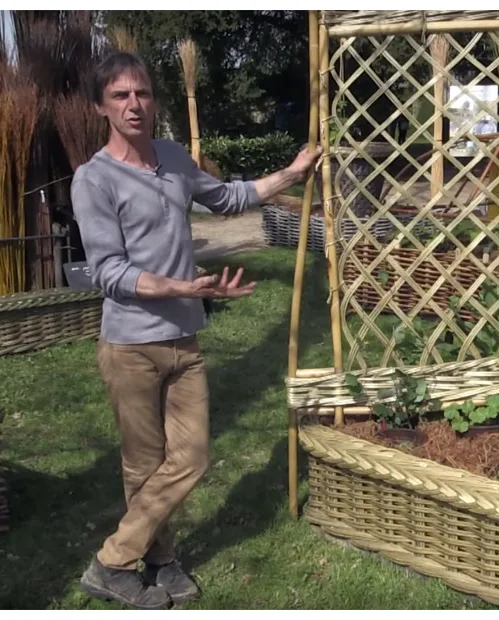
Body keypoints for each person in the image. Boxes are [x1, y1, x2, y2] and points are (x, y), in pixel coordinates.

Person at [71, 51, 320, 609]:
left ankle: (111, 560)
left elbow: (226, 197)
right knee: (143, 464)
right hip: (131, 344)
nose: (134, 104)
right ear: (100, 107)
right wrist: (185, 287)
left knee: (192, 456)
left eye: (141, 93)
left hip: (185, 339)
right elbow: (109, 272)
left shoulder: (173, 157)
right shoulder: (94, 180)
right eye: (120, 96)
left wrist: (290, 174)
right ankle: (157, 561)